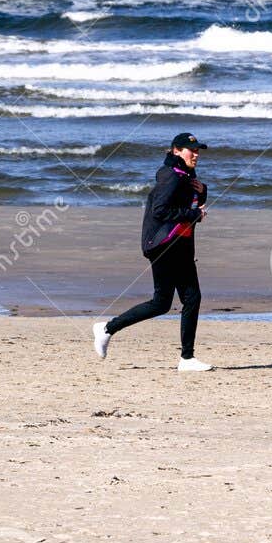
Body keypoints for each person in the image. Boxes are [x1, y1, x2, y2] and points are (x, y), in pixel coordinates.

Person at [92, 132, 212, 372]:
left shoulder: (185, 176)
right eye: (192, 150)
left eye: (198, 150)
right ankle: (185, 358)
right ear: (176, 151)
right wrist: (194, 215)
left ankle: (107, 329)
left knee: (168, 302)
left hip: (179, 245)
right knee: (182, 299)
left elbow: (186, 203)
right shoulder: (172, 176)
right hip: (166, 245)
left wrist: (203, 191)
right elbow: (161, 211)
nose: (196, 154)